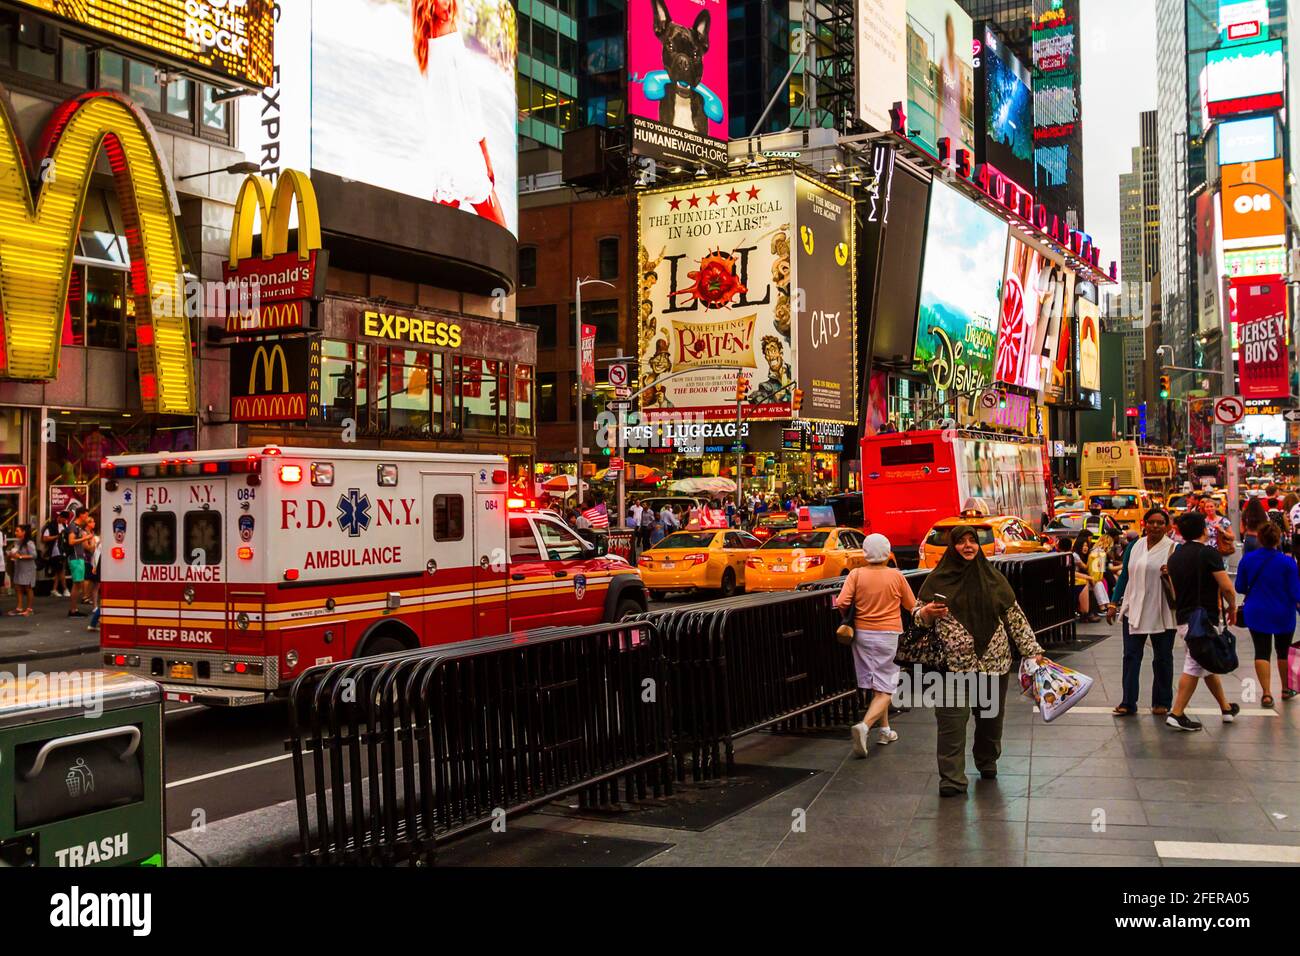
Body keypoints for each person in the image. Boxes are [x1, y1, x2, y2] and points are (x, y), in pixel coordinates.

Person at [913, 526, 1045, 796]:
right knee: (951, 723)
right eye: (961, 541)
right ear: (953, 547)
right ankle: (951, 779)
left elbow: (1014, 618)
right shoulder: (936, 581)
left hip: (993, 665)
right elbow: (917, 617)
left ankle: (987, 760)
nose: (968, 546)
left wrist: (1032, 650)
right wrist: (926, 612)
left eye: (973, 541)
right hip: (950, 667)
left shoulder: (993, 579)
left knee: (989, 721)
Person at [411, 0, 507, 227]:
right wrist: (487, 159)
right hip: (468, 164)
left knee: (434, 240)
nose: (449, 4)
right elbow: (471, 103)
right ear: (428, 4)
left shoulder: (420, 47)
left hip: (444, 169)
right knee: (504, 241)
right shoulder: (451, 38)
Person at [834, 533, 916, 757]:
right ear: (888, 552)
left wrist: (848, 616)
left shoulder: (856, 574)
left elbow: (841, 602)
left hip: (861, 635)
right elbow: (912, 606)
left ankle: (885, 730)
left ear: (865, 552)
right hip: (889, 634)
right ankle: (865, 726)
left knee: (877, 684)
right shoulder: (896, 576)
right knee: (888, 687)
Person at [1165, 510, 1240, 731]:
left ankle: (1225, 708)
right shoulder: (1208, 554)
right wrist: (1232, 607)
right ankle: (1176, 713)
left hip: (1184, 617)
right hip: (1203, 618)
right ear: (1204, 529)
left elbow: (1174, 590)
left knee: (1203, 662)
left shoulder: (1175, 557)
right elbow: (1226, 586)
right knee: (1195, 664)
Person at [1107, 508, 1177, 716]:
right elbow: (1124, 577)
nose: (1155, 526)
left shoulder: (1174, 548)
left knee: (1163, 657)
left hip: (1161, 609)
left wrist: (1170, 573)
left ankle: (1162, 702)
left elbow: (1182, 578)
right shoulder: (1134, 547)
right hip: (1134, 608)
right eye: (1151, 522)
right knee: (1130, 656)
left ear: (1167, 526)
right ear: (1145, 524)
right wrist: (1113, 603)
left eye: (1160, 523)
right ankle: (1128, 702)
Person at [1234, 521, 1300, 706]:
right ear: (1278, 539)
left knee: (1261, 651)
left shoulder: (1248, 559)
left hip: (1256, 611)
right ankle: (1286, 688)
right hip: (1283, 611)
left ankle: (1266, 693)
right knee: (1283, 651)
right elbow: (1296, 592)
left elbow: (1239, 587)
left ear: (1260, 539)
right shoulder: (1287, 562)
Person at [6, 524, 35, 616]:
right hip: (19, 567)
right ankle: (19, 608)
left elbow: (34, 555)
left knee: (28, 587)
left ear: (24, 532)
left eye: (17, 531)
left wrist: (21, 556)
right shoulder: (18, 542)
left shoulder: (29, 543)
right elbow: (16, 553)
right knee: (18, 587)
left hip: (28, 568)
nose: (15, 532)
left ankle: (29, 609)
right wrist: (11, 554)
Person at [66, 512, 91, 617]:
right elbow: (71, 542)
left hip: (78, 558)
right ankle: (73, 610)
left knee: (78, 584)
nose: (87, 517)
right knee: (77, 585)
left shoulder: (78, 527)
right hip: (75, 558)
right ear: (81, 515)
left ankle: (74, 609)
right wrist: (85, 538)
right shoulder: (73, 526)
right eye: (86, 515)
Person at [40, 510, 68, 598]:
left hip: (63, 550)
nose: (64, 521)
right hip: (54, 551)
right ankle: (64, 589)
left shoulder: (65, 525)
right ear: (60, 517)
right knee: (61, 570)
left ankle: (54, 589)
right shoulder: (51, 526)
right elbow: (44, 538)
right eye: (63, 519)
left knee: (58, 571)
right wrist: (57, 536)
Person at [85, 515, 102, 631]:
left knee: (98, 588)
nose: (94, 523)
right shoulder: (94, 538)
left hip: (97, 565)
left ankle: (94, 621)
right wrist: (95, 566)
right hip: (96, 565)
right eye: (92, 522)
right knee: (99, 590)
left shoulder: (96, 538)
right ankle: (93, 622)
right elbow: (93, 552)